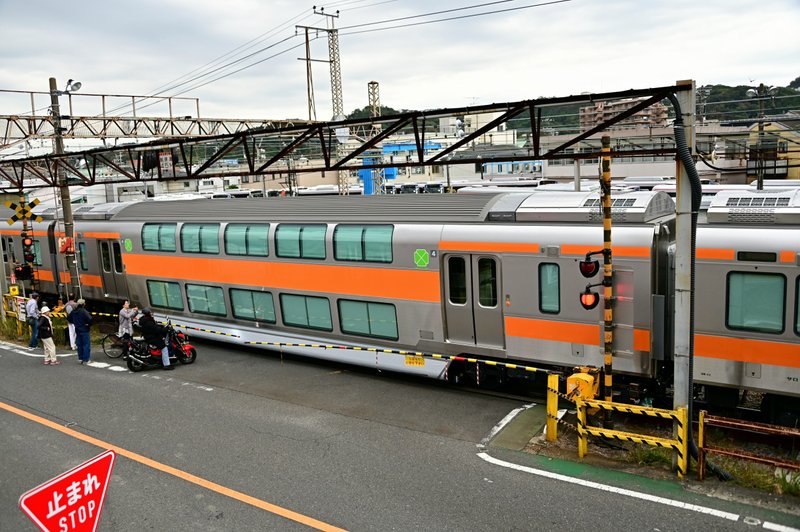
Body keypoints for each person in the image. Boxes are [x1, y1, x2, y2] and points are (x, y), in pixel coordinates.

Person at [70, 298, 93, 364]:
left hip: (77, 329)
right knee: (86, 344)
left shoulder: (73, 311)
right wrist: (88, 324)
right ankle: (86, 359)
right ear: (83, 304)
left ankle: (80, 358)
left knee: (79, 344)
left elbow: (69, 318)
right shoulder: (84, 311)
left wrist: (75, 322)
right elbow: (90, 319)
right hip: (85, 330)